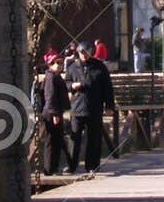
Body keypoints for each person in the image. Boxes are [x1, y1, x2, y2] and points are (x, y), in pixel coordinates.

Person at [65, 41, 117, 173]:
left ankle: (92, 165)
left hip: (94, 107)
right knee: (74, 138)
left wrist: (109, 105)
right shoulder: (72, 67)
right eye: (81, 53)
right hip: (77, 107)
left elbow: (107, 87)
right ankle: (71, 166)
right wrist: (72, 86)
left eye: (86, 52)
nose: (84, 55)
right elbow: (66, 82)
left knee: (94, 138)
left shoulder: (99, 67)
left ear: (91, 52)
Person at [30, 49, 70, 175]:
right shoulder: (51, 78)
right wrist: (55, 114)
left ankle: (55, 166)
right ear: (50, 64)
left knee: (57, 140)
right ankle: (49, 168)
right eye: (55, 63)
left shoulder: (56, 77)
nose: (59, 65)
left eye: (60, 62)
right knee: (52, 141)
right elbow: (50, 97)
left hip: (55, 111)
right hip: (51, 113)